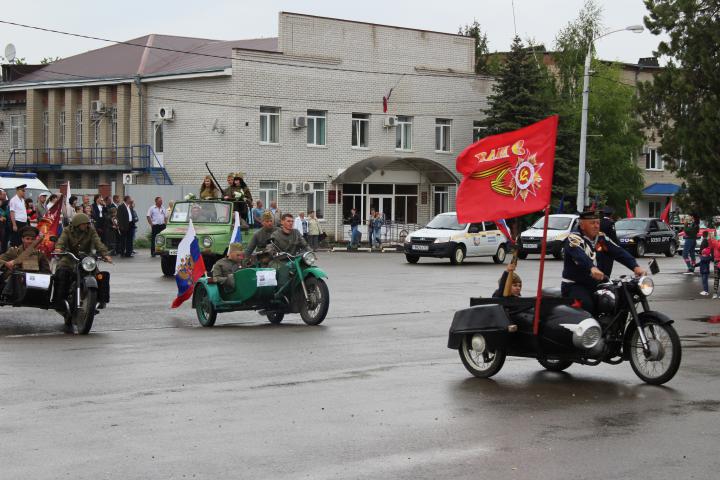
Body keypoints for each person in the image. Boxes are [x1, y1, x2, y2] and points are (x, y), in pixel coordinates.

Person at [561, 209, 646, 313]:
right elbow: (579, 255)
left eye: (598, 223)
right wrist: (591, 268)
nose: (596, 226)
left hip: (597, 284)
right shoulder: (574, 238)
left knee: (617, 303)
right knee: (587, 307)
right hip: (575, 285)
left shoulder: (601, 237)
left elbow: (618, 251)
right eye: (592, 223)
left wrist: (635, 267)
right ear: (582, 225)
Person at [52, 213, 112, 311]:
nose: (86, 225)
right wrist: (58, 248)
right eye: (84, 224)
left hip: (86, 258)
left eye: (87, 223)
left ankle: (101, 300)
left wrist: (105, 254)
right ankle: (59, 300)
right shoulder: (67, 230)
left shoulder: (91, 230)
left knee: (99, 275)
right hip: (69, 257)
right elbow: (61, 241)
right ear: (77, 224)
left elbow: (98, 242)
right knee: (62, 272)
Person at [0, 226, 51, 302]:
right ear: (22, 239)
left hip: (33, 285)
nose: (30, 241)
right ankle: (5, 295)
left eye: (32, 239)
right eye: (27, 239)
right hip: (14, 285)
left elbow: (47, 273)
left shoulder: (40, 254)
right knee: (15, 274)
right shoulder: (14, 251)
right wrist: (6, 264)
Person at [270, 213, 309, 286]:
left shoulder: (296, 233)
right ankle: (282, 292)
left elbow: (305, 244)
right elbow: (270, 246)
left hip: (294, 260)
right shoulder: (275, 234)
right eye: (288, 221)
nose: (291, 223)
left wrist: (309, 251)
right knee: (284, 271)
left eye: (292, 221)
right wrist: (273, 252)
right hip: (280, 260)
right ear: (282, 222)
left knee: (307, 266)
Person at [707, 229, 720, 298]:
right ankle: (715, 293)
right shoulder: (716, 241)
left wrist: (713, 239)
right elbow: (711, 246)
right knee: (716, 278)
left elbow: (718, 247)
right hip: (716, 261)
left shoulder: (717, 242)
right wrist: (709, 238)